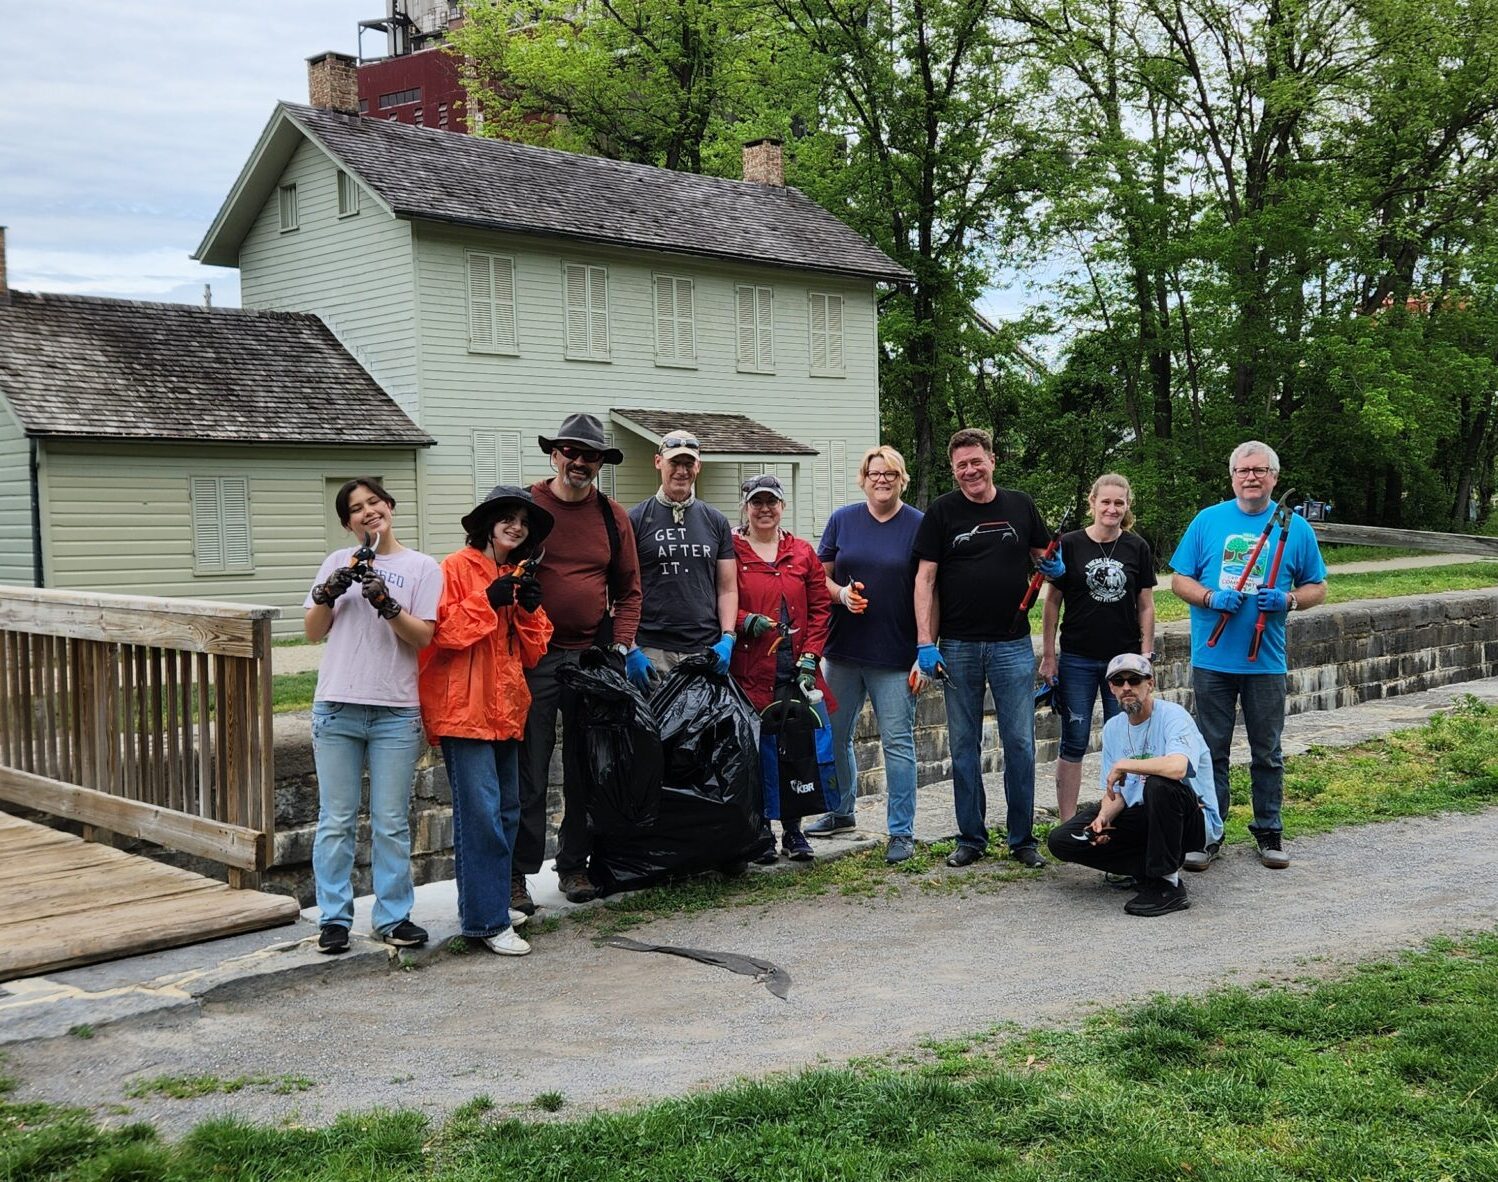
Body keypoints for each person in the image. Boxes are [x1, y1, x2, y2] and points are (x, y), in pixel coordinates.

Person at [1170, 440, 1327, 870]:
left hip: (1266, 661)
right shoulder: (1207, 521)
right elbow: (1178, 580)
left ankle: (1269, 832)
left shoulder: (1295, 528)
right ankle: (1208, 833)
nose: (1251, 477)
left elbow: (1318, 586)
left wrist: (1290, 601)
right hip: (1213, 659)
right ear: (1232, 476)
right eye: (1243, 470)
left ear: (1274, 477)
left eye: (1260, 470)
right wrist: (1209, 597)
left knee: (1267, 751)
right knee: (1210, 752)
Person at [912, 428, 1063, 869]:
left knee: (1019, 742)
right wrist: (926, 643)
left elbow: (1046, 558)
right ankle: (971, 838)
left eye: (976, 461)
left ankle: (1022, 839)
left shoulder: (1020, 505)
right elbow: (925, 580)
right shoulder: (941, 512)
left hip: (1012, 646)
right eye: (961, 464)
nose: (970, 470)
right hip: (957, 647)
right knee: (962, 746)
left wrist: (1055, 567)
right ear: (953, 469)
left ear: (992, 460)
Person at [304, 478, 441, 954]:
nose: (367, 512)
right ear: (347, 523)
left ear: (389, 507)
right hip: (338, 704)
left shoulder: (422, 567)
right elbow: (312, 632)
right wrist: (328, 592)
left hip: (395, 712)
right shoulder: (335, 562)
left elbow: (422, 637)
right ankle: (334, 919)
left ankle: (393, 916)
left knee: (390, 821)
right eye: (355, 509)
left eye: (373, 502)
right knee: (336, 820)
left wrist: (386, 603)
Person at [419, 486, 553, 956]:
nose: (517, 526)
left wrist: (531, 610)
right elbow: (442, 634)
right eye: (508, 518)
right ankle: (486, 920)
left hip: (506, 710)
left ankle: (491, 902)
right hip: (464, 711)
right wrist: (489, 600)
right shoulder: (454, 568)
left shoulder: (513, 573)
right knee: (481, 817)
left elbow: (534, 651)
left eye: (523, 521)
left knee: (507, 812)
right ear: (488, 522)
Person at [517, 413, 644, 908]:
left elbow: (629, 591)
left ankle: (575, 865)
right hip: (534, 656)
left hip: (592, 656)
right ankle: (516, 874)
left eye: (590, 455)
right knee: (528, 767)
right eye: (572, 452)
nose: (580, 462)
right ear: (555, 455)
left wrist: (620, 646)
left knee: (587, 767)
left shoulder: (613, 518)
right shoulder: (525, 506)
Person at [807, 445, 925, 864]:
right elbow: (818, 579)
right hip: (842, 650)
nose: (882, 480)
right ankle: (840, 812)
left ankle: (901, 831)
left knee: (897, 743)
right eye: (875, 473)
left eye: (890, 474)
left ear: (901, 479)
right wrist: (842, 595)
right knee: (834, 736)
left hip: (895, 654)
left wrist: (925, 650)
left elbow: (930, 590)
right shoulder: (843, 520)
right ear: (864, 477)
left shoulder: (918, 524)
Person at [1046, 654, 1223, 916]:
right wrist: (1103, 818)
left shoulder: (1174, 716)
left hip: (1191, 819)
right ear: (1111, 688)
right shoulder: (1113, 728)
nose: (1126, 687)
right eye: (1119, 681)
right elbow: (1116, 793)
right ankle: (1145, 870)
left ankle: (1167, 885)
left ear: (1150, 683)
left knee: (1159, 785)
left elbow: (1178, 768)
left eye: (1134, 680)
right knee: (1062, 840)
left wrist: (1125, 765)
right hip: (1144, 816)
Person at [1039, 473, 1157, 821]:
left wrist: (1146, 655)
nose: (1112, 508)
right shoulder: (1071, 544)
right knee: (1073, 741)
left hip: (1123, 664)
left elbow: (1146, 604)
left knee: (1125, 741)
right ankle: (1067, 821)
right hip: (1076, 657)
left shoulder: (1137, 547)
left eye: (1119, 503)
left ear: (1127, 506)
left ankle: (1119, 816)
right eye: (1105, 501)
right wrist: (1049, 656)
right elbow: (1051, 603)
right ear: (1092, 503)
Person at [729, 473, 835, 862]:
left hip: (795, 668)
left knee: (796, 750)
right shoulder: (733, 552)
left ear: (782, 507)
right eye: (756, 502)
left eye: (771, 502)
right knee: (755, 752)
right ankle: (759, 834)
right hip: (751, 669)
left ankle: (794, 832)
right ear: (746, 507)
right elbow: (719, 601)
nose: (764, 509)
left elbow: (821, 608)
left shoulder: (802, 552)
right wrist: (744, 621)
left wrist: (811, 656)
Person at [628, 429, 738, 678]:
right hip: (652, 651)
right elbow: (619, 589)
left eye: (689, 463)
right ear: (658, 462)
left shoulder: (716, 521)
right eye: (674, 462)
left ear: (698, 466)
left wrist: (728, 637)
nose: (682, 470)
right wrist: (630, 647)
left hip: (704, 649)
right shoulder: (635, 519)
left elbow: (727, 588)